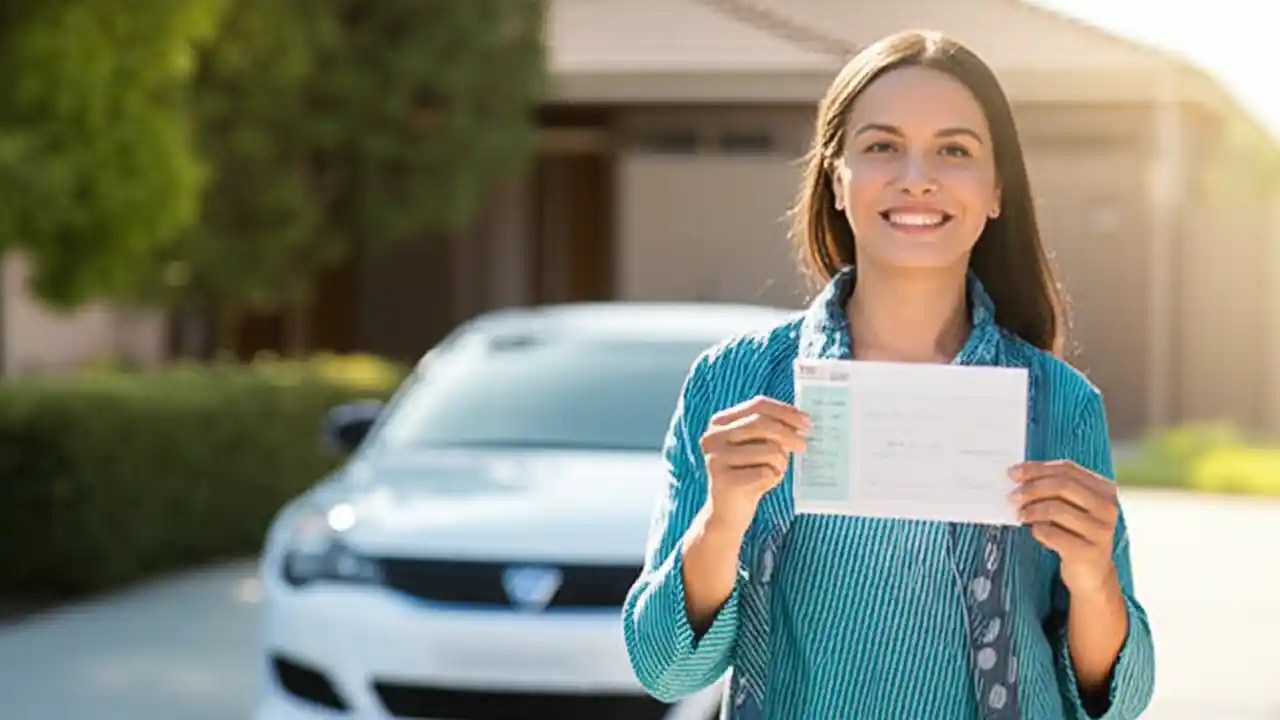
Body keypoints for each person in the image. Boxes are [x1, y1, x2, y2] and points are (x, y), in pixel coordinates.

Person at [622, 29, 1155, 720]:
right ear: (835, 179)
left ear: (997, 191)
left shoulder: (1059, 404)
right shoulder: (734, 383)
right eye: (880, 146)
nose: (916, 176)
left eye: (954, 150)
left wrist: (1092, 578)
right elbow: (664, 670)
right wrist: (722, 522)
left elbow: (1117, 705)